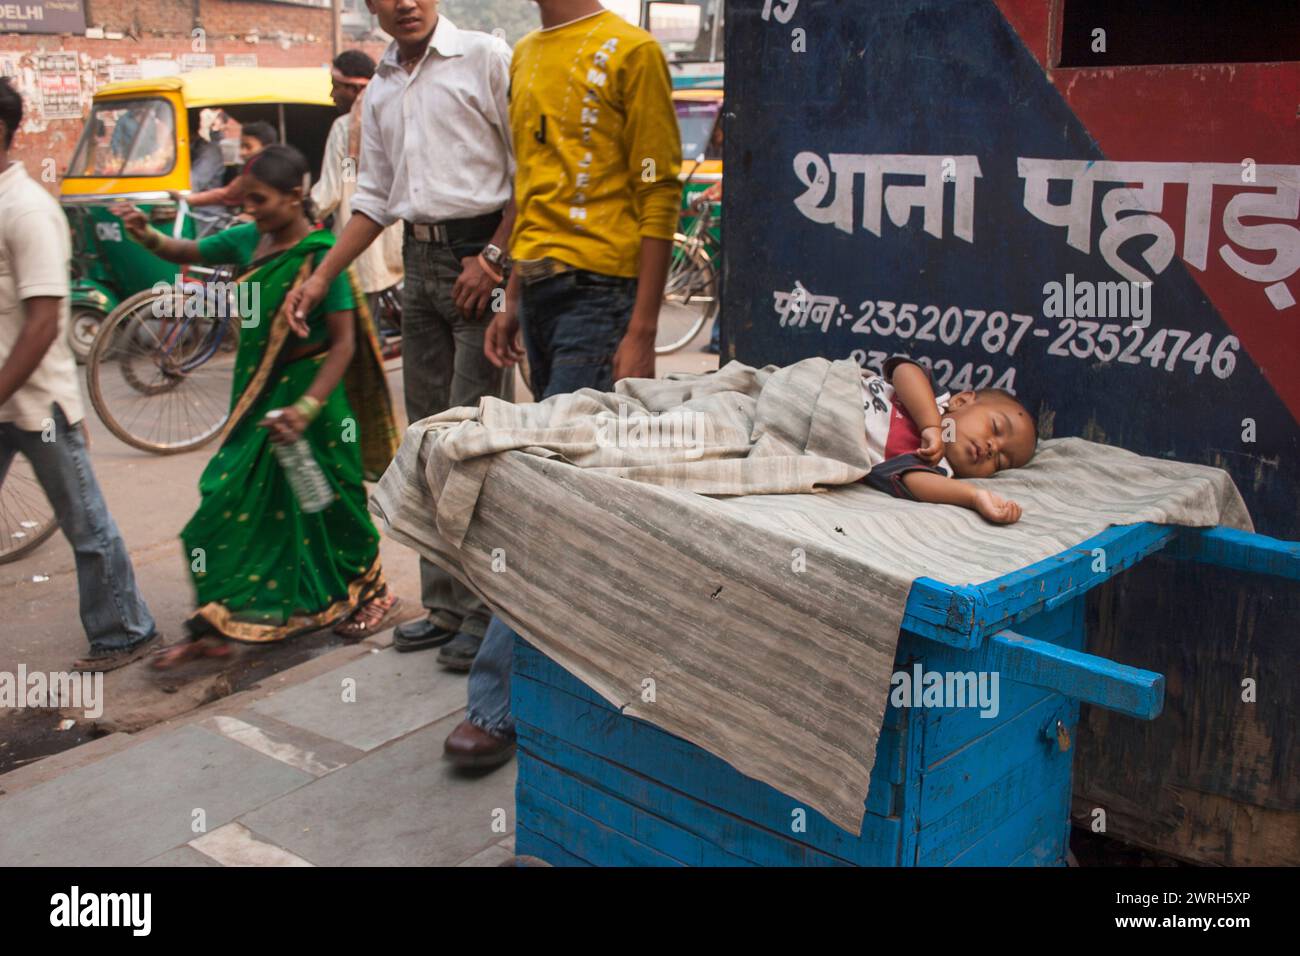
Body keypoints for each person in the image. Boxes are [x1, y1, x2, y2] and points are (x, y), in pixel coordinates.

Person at [451, 0, 683, 768]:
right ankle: (592, 663)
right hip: (542, 295)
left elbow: (658, 192)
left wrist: (642, 328)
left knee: (539, 491)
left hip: (603, 296)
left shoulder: (632, 50)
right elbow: (531, 187)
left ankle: (496, 703)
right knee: (577, 486)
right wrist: (511, 295)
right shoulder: (525, 56)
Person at [285, 0, 516, 671]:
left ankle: (487, 611)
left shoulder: (485, 57)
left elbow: (529, 173)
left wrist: (497, 262)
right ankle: (444, 606)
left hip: (485, 260)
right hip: (418, 265)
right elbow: (375, 197)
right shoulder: (382, 84)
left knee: (476, 443)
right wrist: (321, 274)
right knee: (426, 439)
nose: (405, 3)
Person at [114, 145, 401, 667]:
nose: (252, 211)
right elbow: (186, 252)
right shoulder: (250, 238)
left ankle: (373, 592)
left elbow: (344, 346)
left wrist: (308, 410)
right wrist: (143, 235)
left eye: (261, 200)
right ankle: (222, 620)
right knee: (223, 503)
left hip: (314, 409)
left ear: (295, 196)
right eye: (245, 202)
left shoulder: (320, 257)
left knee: (328, 508)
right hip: (262, 404)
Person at [0, 77, 160, 671]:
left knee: (86, 525)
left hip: (37, 404)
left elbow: (43, 323)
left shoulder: (27, 211)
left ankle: (126, 631)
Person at [861, 357, 1037, 524]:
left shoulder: (936, 467)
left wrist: (974, 496)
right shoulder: (934, 400)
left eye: (1000, 461)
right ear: (960, 401)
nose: (994, 448)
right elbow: (904, 370)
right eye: (995, 427)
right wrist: (930, 425)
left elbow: (911, 481)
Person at [310, 50, 404, 329]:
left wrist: (301, 209)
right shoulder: (393, 114)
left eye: (335, 86)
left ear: (352, 88)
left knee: (360, 332)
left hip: (359, 244)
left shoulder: (343, 128)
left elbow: (330, 193)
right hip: (396, 237)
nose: (331, 95)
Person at [182, 120, 279, 214]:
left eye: (248, 147)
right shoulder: (250, 171)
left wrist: (185, 198)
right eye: (241, 146)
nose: (242, 153)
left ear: (266, 148)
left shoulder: (272, 171)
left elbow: (225, 195)